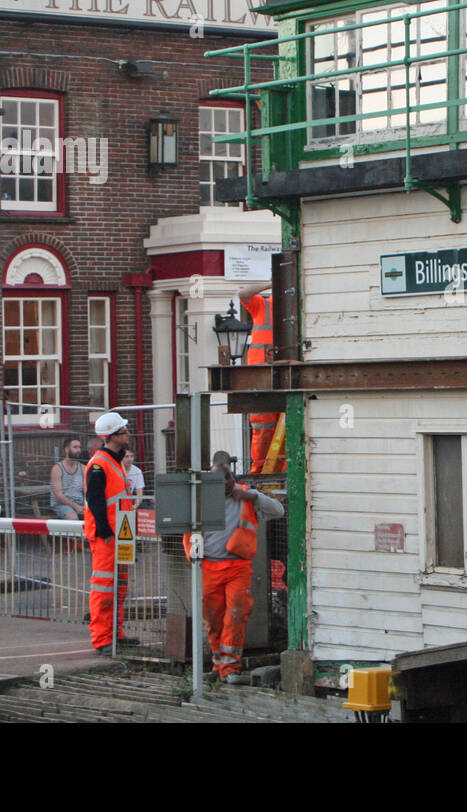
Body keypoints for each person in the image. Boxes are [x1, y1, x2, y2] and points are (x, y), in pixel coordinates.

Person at [184, 450, 284, 683]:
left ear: (232, 479)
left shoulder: (246, 495)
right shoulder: (199, 497)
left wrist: (254, 497)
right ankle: (220, 666)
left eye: (227, 480)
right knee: (213, 618)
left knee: (237, 613)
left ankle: (230, 668)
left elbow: (278, 511)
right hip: (208, 566)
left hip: (237, 567)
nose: (224, 485)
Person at [84, 412, 138, 655]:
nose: (127, 434)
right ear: (113, 436)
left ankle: (116, 633)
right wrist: (105, 530)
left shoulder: (113, 461)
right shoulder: (100, 463)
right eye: (123, 431)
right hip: (108, 535)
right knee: (104, 586)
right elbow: (94, 499)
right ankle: (102, 638)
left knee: (119, 585)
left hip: (119, 534)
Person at [237, 281, 285, 474]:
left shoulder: (296, 309)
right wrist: (270, 283)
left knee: (286, 427)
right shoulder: (263, 305)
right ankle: (259, 471)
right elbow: (243, 293)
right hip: (260, 376)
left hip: (280, 376)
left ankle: (283, 471)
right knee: (262, 427)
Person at [50, 437, 86, 521]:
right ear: (66, 449)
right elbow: (58, 495)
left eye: (80, 447)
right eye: (75, 447)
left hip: (80, 503)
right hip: (62, 504)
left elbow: (86, 491)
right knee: (72, 518)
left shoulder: (83, 468)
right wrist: (76, 507)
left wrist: (85, 505)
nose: (78, 450)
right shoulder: (57, 468)